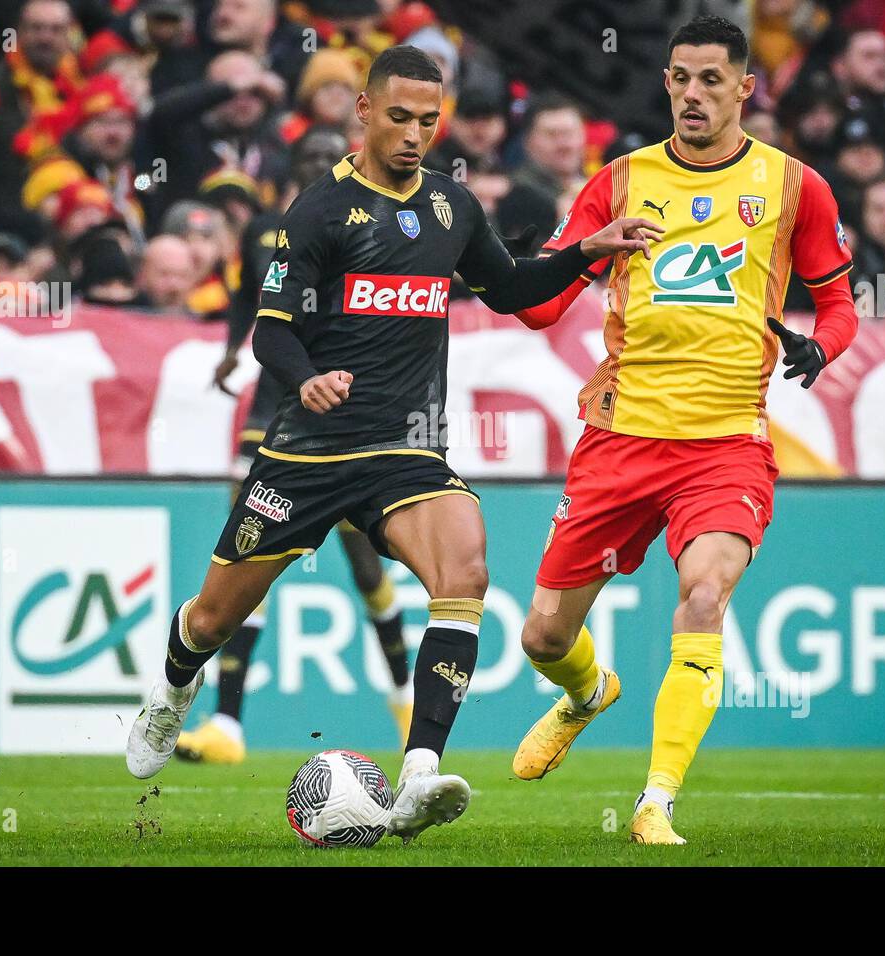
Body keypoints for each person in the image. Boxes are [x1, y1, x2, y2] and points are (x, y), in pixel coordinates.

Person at [124, 44, 660, 844]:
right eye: (400, 117)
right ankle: (170, 696)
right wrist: (306, 379)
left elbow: (511, 289)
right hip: (305, 455)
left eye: (428, 119)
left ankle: (416, 774)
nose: (415, 133)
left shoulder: (453, 208)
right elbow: (272, 334)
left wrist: (585, 253)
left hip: (406, 451)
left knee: (466, 568)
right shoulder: (317, 213)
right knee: (209, 620)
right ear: (365, 111)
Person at [507, 16, 858, 845]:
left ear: (745, 88)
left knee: (704, 593)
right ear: (664, 83)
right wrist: (573, 249)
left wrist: (820, 345)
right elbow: (536, 308)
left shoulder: (794, 186)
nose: (692, 95)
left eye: (710, 80)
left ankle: (655, 802)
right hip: (620, 437)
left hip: (727, 442)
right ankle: (589, 692)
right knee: (543, 634)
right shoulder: (620, 181)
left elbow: (840, 305)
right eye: (679, 79)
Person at [176, 125, 416, 765]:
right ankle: (226, 725)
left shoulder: (376, 225)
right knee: (246, 555)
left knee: (368, 569)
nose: (317, 167)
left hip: (349, 408)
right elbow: (247, 302)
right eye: (306, 159)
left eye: (325, 157)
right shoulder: (268, 230)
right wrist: (233, 348)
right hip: (275, 405)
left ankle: (406, 711)